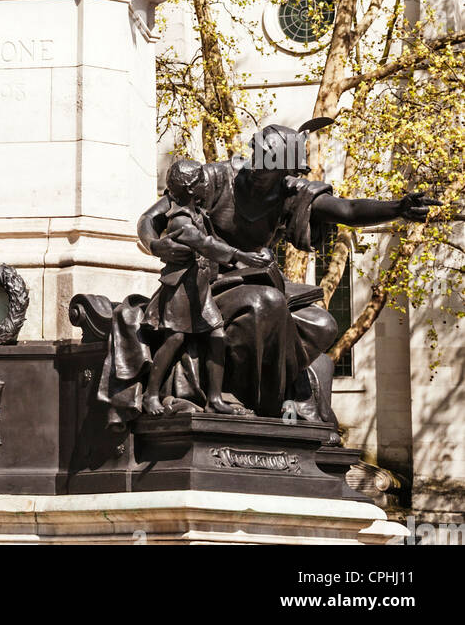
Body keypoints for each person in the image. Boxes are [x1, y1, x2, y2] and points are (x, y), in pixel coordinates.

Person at [100, 127, 436, 427]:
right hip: (208, 285)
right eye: (256, 158)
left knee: (322, 324)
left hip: (259, 280)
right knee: (267, 303)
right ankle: (259, 404)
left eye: (267, 165)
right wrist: (158, 246)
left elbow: (347, 210)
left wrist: (397, 208)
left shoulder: (291, 194)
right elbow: (150, 219)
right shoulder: (215, 177)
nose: (256, 168)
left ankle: (278, 404)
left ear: (285, 171)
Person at [141, 160, 271, 415]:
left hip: (199, 289)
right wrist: (242, 256)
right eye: (201, 181)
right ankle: (150, 395)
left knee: (217, 336)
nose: (206, 184)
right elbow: (206, 244)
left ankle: (214, 399)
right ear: (190, 188)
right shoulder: (179, 220)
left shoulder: (197, 213)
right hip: (180, 289)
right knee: (175, 338)